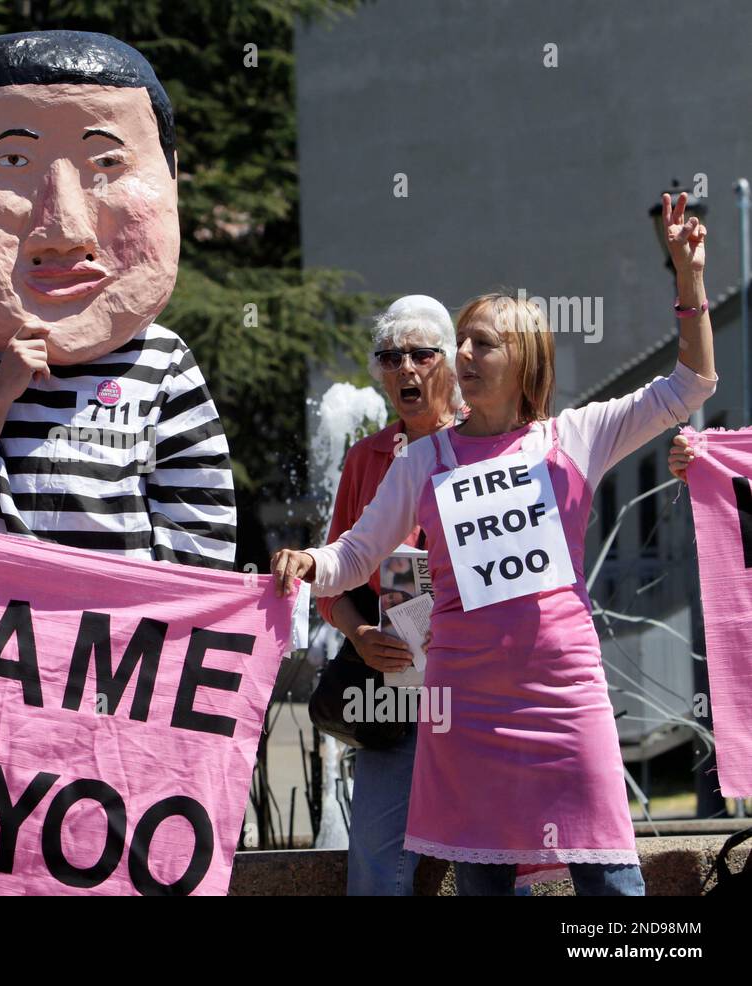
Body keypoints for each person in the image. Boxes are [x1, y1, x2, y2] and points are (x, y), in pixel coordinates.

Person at [273, 193, 716, 896]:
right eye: (464, 342)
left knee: (611, 881)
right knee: (483, 886)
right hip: (464, 704)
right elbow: (355, 555)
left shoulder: (573, 436)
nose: (464, 355)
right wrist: (309, 562)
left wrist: (689, 279)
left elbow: (690, 384)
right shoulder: (424, 460)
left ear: (525, 358)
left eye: (482, 343)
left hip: (564, 697)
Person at [0, 31, 235, 569]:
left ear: (169, 180)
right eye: (11, 162)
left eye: (106, 162)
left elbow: (200, 529)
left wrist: (171, 635)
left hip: (121, 644)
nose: (64, 230)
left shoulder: (164, 365)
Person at [318, 295, 462, 895]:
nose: (406, 368)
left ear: (450, 364)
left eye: (422, 355)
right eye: (391, 357)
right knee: (374, 869)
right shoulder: (366, 458)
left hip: (480, 689)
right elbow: (334, 585)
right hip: (397, 695)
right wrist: (361, 635)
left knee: (506, 859)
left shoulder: (490, 446)